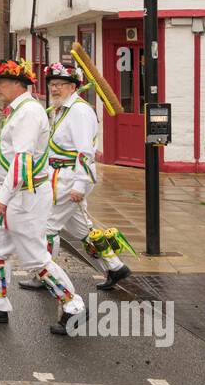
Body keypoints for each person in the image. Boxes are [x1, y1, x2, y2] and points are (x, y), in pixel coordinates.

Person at [0, 60, 85, 335]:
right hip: (11, 193)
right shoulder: (20, 111)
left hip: (24, 196)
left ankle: (73, 306)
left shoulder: (29, 113)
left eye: (2, 83)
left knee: (34, 257)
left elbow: (23, 162)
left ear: (19, 84)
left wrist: (4, 197)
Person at [19, 63, 131, 294]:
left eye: (61, 85)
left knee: (46, 225)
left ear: (73, 87)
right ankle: (115, 267)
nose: (55, 89)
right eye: (52, 85)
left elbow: (85, 151)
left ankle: (45, 276)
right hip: (59, 175)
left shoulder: (79, 111)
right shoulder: (62, 109)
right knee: (82, 229)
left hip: (69, 178)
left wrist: (80, 185)